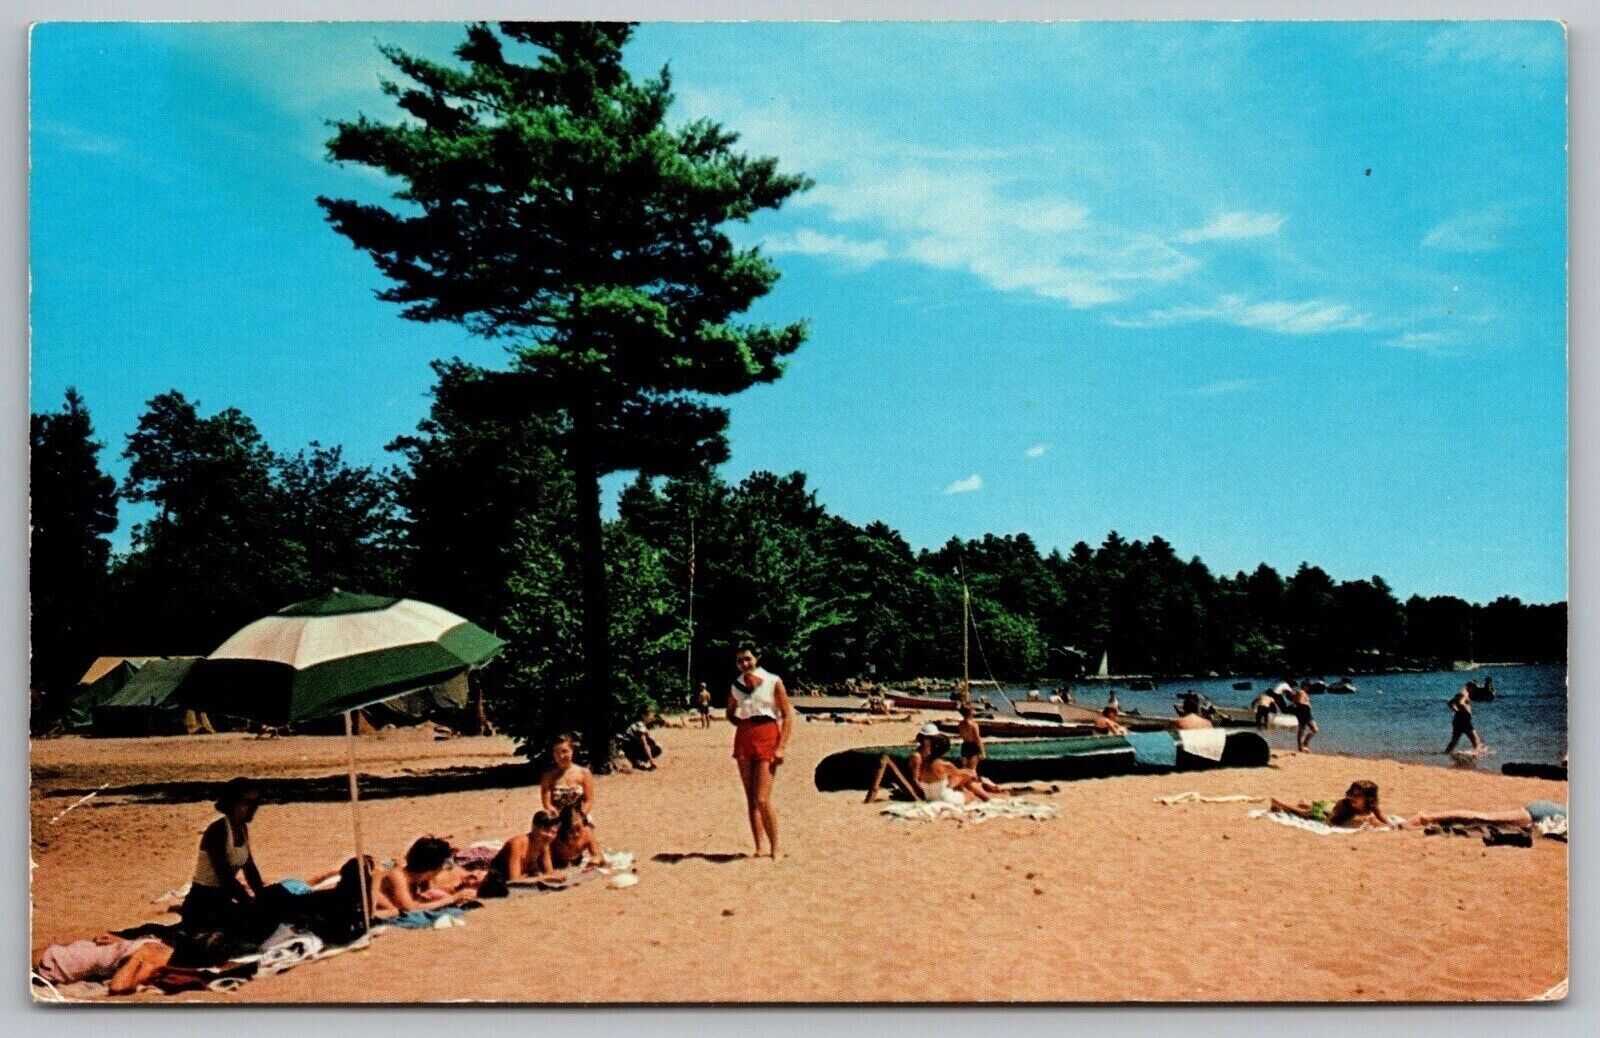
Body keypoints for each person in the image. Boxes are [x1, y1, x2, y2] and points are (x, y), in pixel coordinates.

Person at [180, 778, 273, 938]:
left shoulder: (242, 828)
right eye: (248, 803)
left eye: (256, 803)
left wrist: (263, 897)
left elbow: (249, 868)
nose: (254, 808)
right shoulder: (218, 830)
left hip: (223, 898)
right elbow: (224, 877)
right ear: (233, 803)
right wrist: (248, 903)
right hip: (203, 901)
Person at [727, 644, 794, 859]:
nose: (744, 664)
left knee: (763, 797)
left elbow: (787, 715)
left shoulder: (773, 681)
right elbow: (730, 713)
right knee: (750, 798)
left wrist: (781, 746)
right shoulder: (736, 685)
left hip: (768, 734)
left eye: (747, 658)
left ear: (757, 657)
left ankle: (776, 847)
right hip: (745, 737)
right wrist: (744, 724)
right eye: (739, 660)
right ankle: (759, 846)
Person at [375, 837, 478, 913]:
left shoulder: (419, 880)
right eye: (442, 866)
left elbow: (430, 895)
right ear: (432, 869)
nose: (442, 869)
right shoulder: (398, 876)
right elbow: (410, 908)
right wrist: (452, 899)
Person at [908, 728, 1001, 804]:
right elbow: (962, 774)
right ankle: (987, 798)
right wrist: (976, 777)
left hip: (930, 796)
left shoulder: (924, 762)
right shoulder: (945, 765)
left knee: (963, 779)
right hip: (943, 798)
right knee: (970, 793)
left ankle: (986, 794)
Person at [482, 812, 566, 893]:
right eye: (545, 830)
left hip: (517, 880)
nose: (549, 836)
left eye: (553, 833)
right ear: (534, 827)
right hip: (492, 880)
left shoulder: (544, 844)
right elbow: (514, 881)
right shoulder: (517, 844)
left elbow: (549, 872)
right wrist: (544, 878)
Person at [1270, 780, 1394, 828]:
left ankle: (1305, 803)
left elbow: (1381, 817)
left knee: (1309, 807)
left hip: (1330, 805)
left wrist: (1390, 825)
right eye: (1352, 793)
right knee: (1306, 813)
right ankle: (1280, 804)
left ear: (1369, 799)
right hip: (1329, 811)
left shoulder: (1372, 807)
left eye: (1357, 795)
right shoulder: (1345, 805)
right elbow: (1330, 821)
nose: (1353, 797)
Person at [541, 733, 597, 824]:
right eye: (556, 752)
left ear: (572, 750)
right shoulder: (548, 776)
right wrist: (558, 816)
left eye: (564, 751)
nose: (561, 756)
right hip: (557, 819)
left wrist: (578, 816)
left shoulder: (584, 773)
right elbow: (547, 804)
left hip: (580, 817)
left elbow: (588, 801)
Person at [1405, 800, 1567, 830]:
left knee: (1482, 821)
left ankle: (1434, 820)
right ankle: (1428, 818)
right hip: (1543, 813)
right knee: (1484, 818)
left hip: (1548, 810)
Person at [1445, 682, 1487, 755]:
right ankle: (1477, 755)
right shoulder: (1465, 693)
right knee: (1475, 739)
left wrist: (1457, 711)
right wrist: (1466, 711)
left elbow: (1449, 703)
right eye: (1475, 688)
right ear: (1470, 687)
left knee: (1454, 741)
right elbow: (1460, 703)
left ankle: (1445, 754)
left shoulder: (1462, 692)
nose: (1475, 690)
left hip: (1458, 719)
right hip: (1463, 720)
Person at [1287, 682, 1318, 751]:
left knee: (1302, 729)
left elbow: (1295, 701)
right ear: (1305, 686)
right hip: (1304, 712)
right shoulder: (1301, 692)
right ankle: (1304, 744)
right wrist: (1307, 704)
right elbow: (1299, 702)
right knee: (1314, 729)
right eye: (1308, 686)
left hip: (1302, 712)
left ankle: (1301, 746)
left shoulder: (1300, 692)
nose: (1309, 688)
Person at [956, 703, 985, 770]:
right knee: (973, 769)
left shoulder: (960, 724)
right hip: (973, 746)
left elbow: (962, 735)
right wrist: (982, 751)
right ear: (970, 712)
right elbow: (977, 738)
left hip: (965, 745)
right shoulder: (973, 725)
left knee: (965, 767)